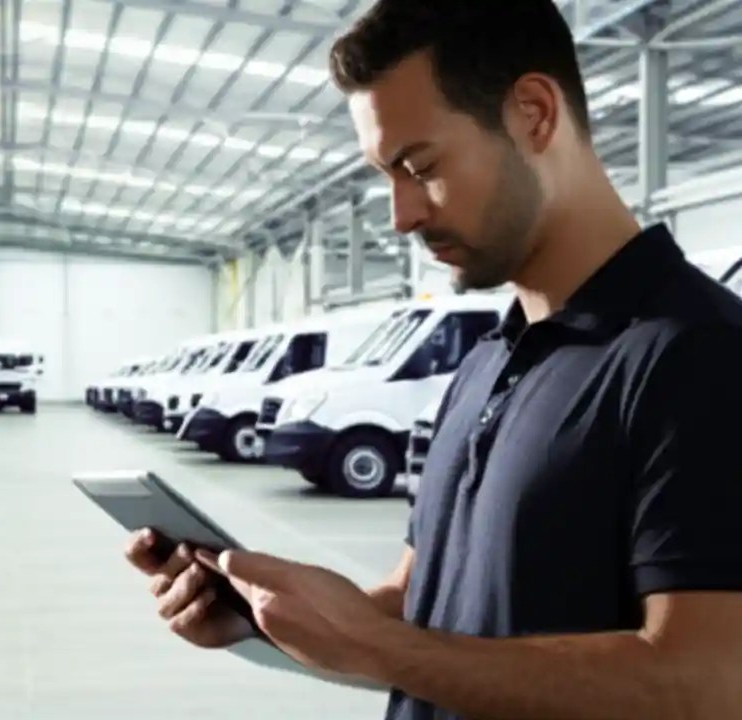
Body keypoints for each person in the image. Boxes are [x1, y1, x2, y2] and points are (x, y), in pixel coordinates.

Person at [123, 0, 742, 717]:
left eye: (420, 166)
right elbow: (425, 607)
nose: (402, 215)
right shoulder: (486, 363)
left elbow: (703, 682)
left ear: (534, 115)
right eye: (387, 175)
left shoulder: (699, 355)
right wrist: (263, 617)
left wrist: (376, 646)